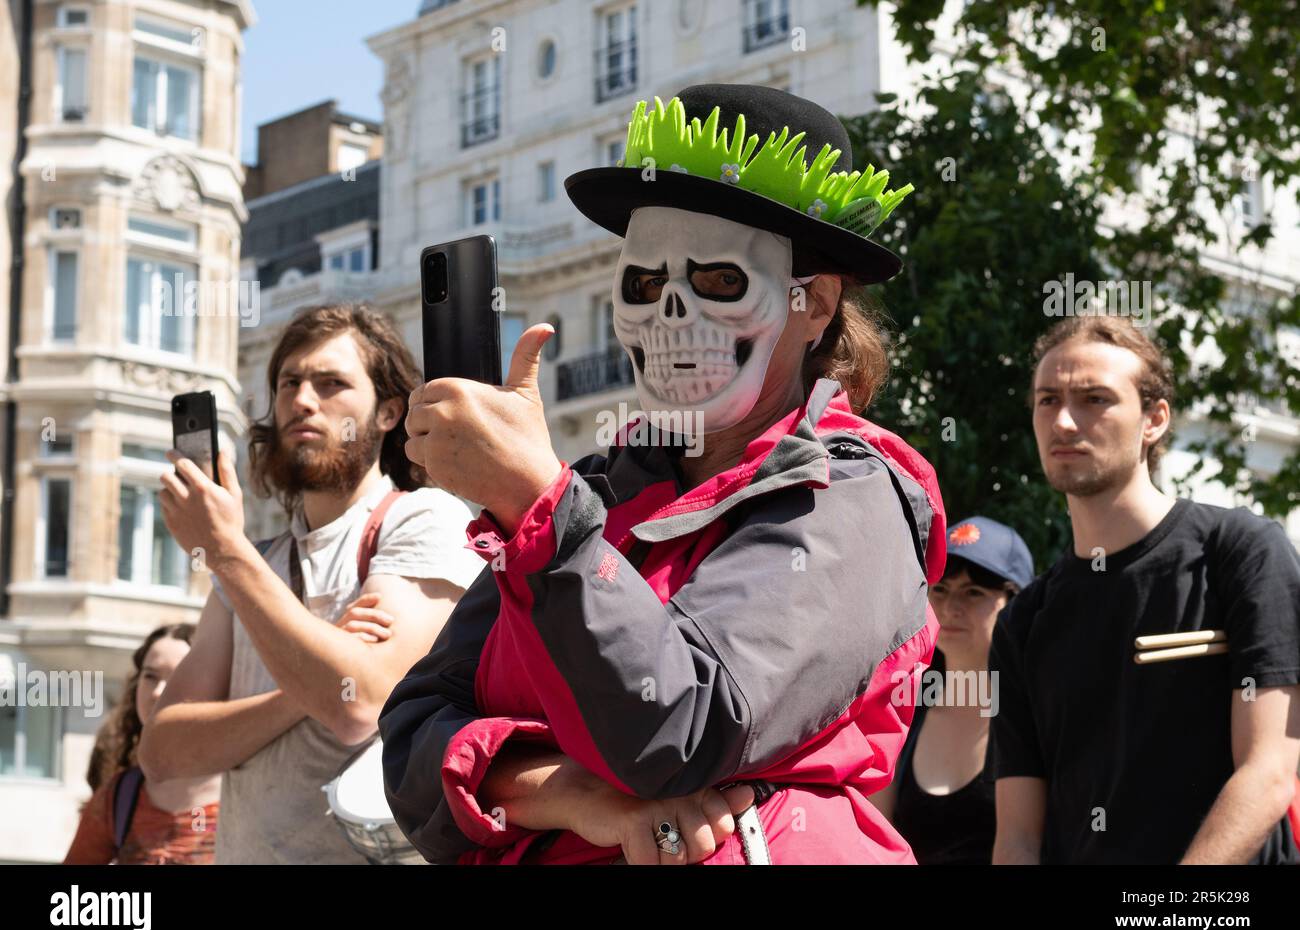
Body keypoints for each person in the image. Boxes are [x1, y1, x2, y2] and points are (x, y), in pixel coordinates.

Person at [381, 84, 948, 865]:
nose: (671, 313)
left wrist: (536, 505)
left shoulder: (849, 488)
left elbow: (682, 726)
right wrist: (577, 797)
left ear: (812, 303)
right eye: (645, 285)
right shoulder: (595, 489)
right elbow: (414, 734)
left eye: (718, 280)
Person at [138, 304, 485, 864]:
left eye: (331, 384)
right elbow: (162, 752)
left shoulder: (425, 519)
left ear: (388, 412)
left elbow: (359, 704)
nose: (302, 400)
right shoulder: (255, 566)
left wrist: (226, 551)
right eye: (288, 383)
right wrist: (304, 687)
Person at [991, 314, 1300, 864]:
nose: (1064, 421)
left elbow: (1269, 773)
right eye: (1047, 400)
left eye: (1095, 399)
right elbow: (1018, 835)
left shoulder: (1241, 551)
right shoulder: (1027, 618)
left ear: (1154, 419)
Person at [870, 517, 1033, 864]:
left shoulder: (1039, 717)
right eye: (941, 589)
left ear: (1015, 603)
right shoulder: (903, 711)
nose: (950, 607)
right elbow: (875, 841)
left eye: (974, 592)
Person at [65, 624, 220, 864]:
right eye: (150, 676)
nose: (158, 691)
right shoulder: (118, 797)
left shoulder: (246, 789)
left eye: (177, 676)